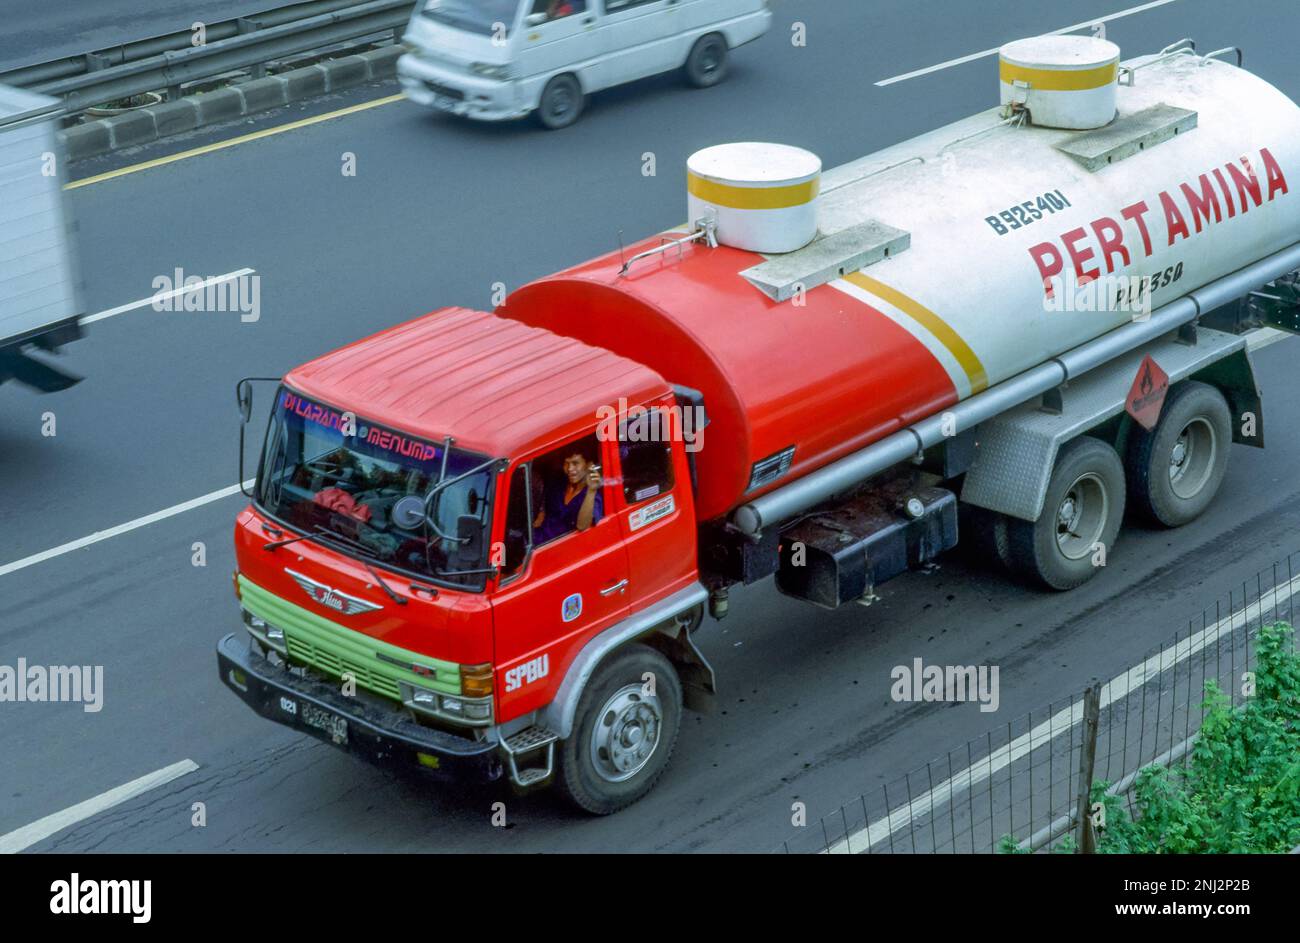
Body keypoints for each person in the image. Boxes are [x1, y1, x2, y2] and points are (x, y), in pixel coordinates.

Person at [533, 448, 602, 544]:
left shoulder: (592, 496)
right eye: (567, 464)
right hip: (538, 539)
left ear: (588, 465)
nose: (570, 469)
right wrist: (541, 511)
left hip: (556, 547)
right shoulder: (560, 483)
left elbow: (582, 526)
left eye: (575, 463)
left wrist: (591, 491)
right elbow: (545, 497)